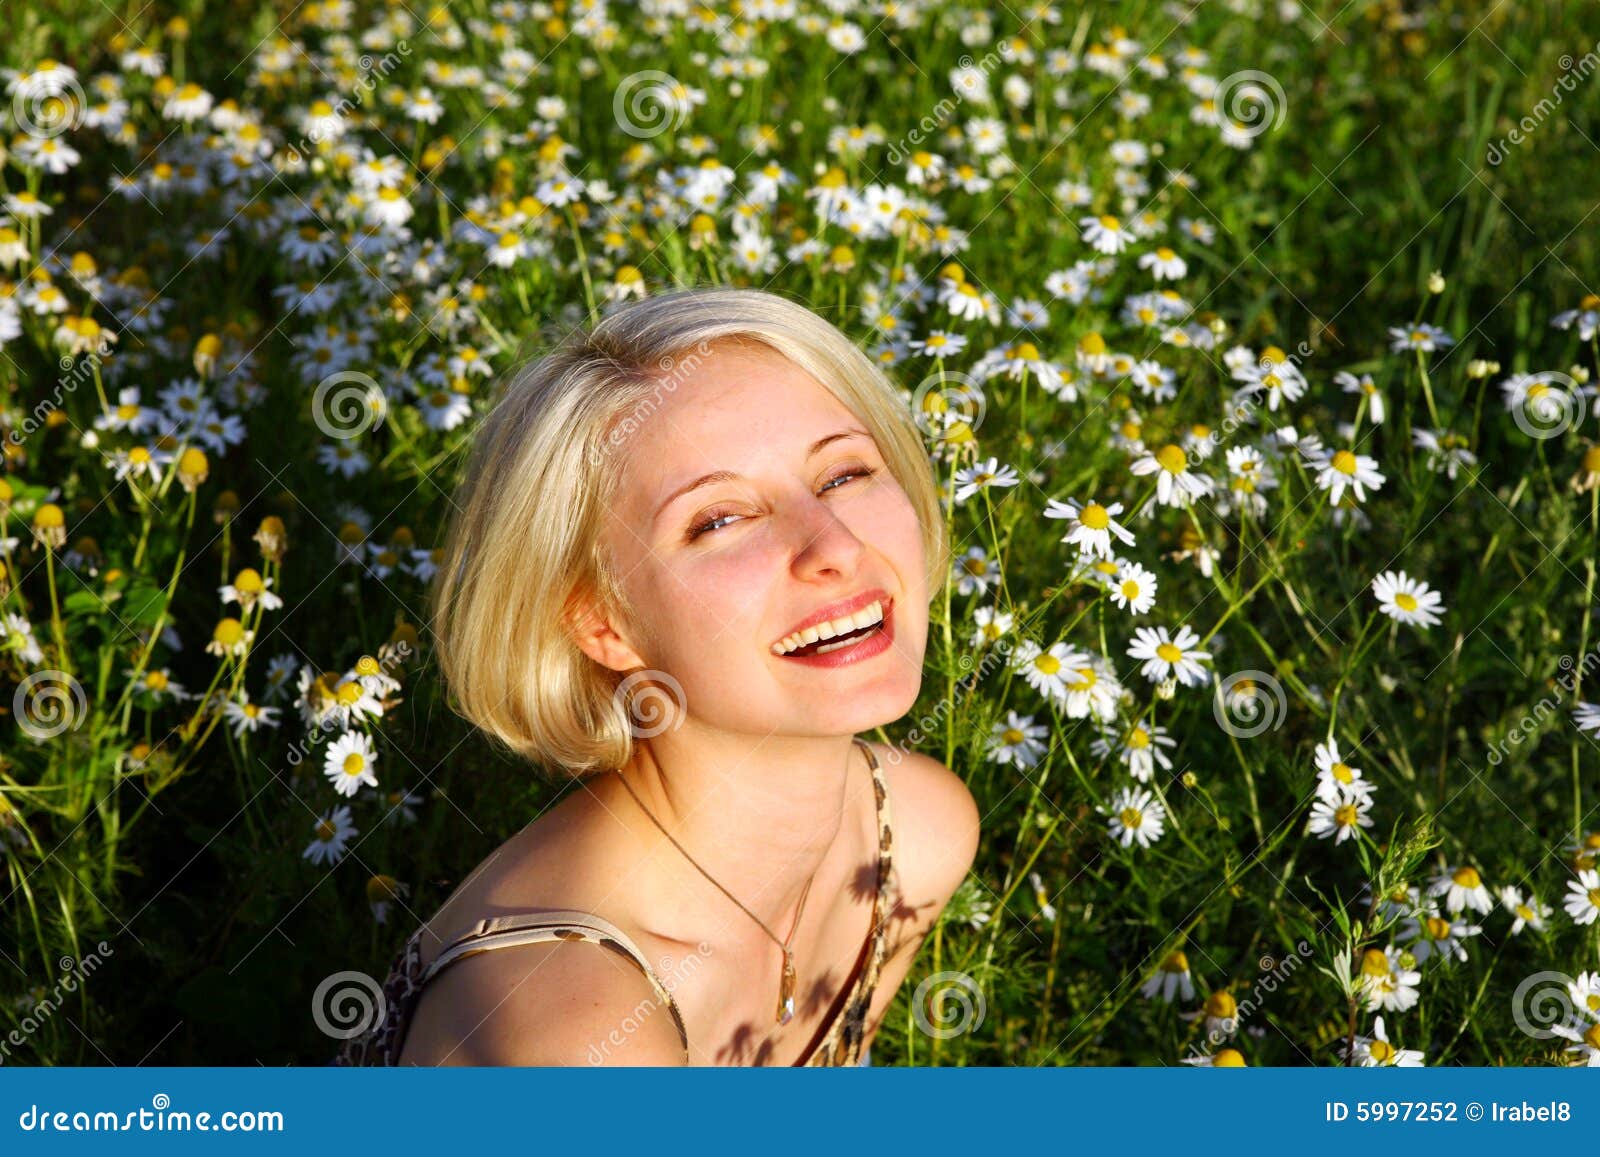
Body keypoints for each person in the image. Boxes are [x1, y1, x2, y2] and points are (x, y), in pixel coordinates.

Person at [335, 286, 980, 1066]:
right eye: (721, 519)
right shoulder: (577, 1032)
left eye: (844, 473)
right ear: (603, 623)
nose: (833, 544)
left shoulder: (915, 833)